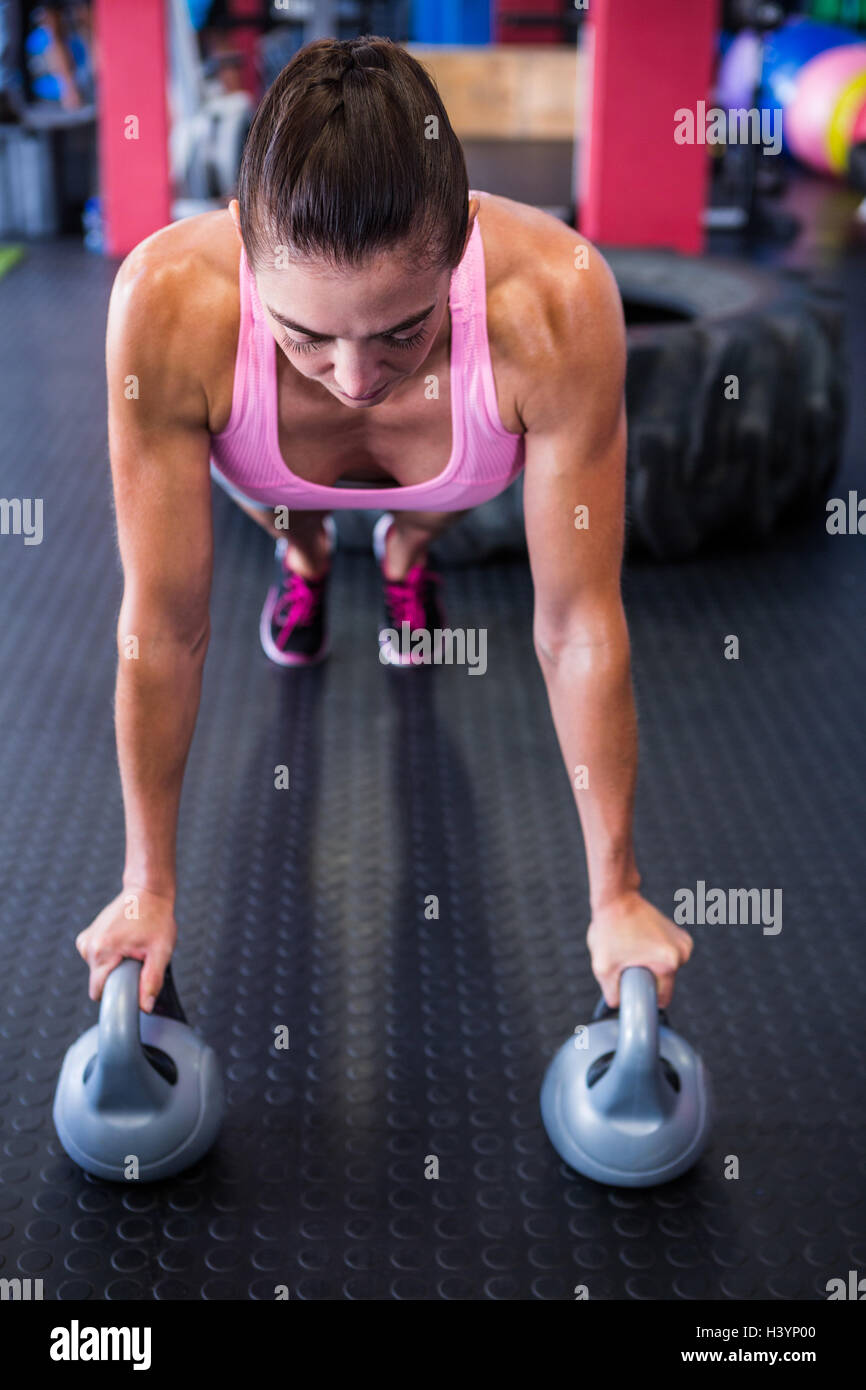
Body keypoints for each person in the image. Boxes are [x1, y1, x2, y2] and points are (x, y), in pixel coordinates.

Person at [76, 36, 693, 1021]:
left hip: (451, 479)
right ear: (244, 250)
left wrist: (614, 894)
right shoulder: (164, 304)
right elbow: (166, 626)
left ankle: (403, 546)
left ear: (458, 245)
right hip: (266, 478)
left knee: (424, 510)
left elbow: (576, 623)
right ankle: (306, 549)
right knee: (290, 515)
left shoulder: (555, 299)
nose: (357, 379)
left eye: (403, 330)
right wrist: (147, 886)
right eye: (306, 334)